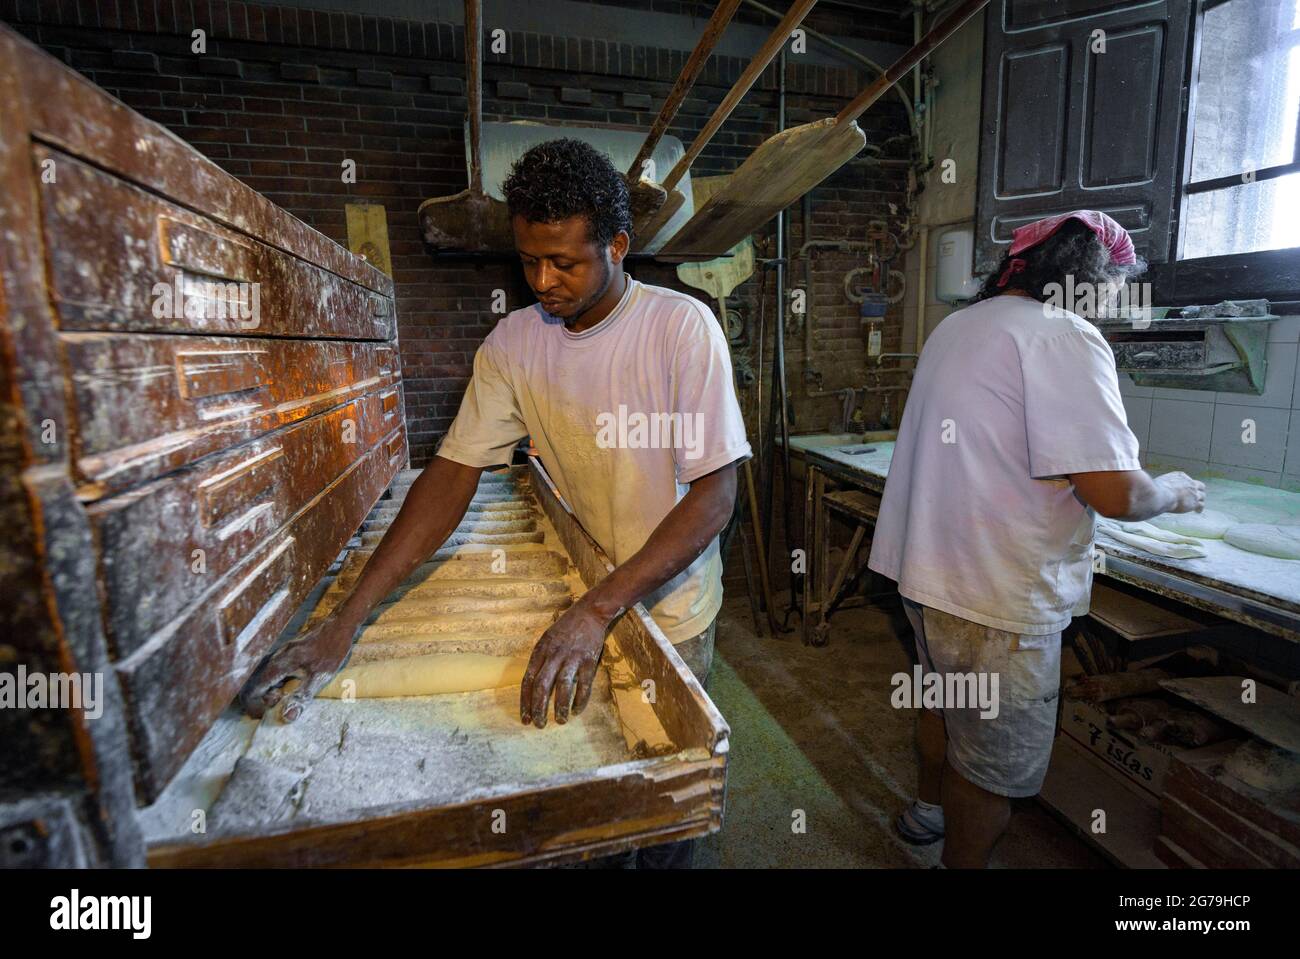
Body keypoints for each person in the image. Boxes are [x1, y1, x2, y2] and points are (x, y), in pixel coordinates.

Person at [243, 138, 751, 868]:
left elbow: (714, 496)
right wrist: (344, 621)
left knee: (665, 805)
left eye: (565, 262)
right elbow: (451, 474)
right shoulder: (515, 344)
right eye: (528, 260)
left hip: (668, 606)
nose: (543, 280)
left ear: (617, 244)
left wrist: (598, 609)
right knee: (589, 815)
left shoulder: (679, 329)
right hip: (590, 585)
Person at [867, 211, 1205, 868]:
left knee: (943, 701)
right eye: (1114, 284)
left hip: (927, 576)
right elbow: (1118, 492)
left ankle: (925, 813)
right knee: (990, 767)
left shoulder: (959, 325)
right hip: (996, 596)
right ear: (1090, 277)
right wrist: (1176, 491)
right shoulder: (1064, 336)